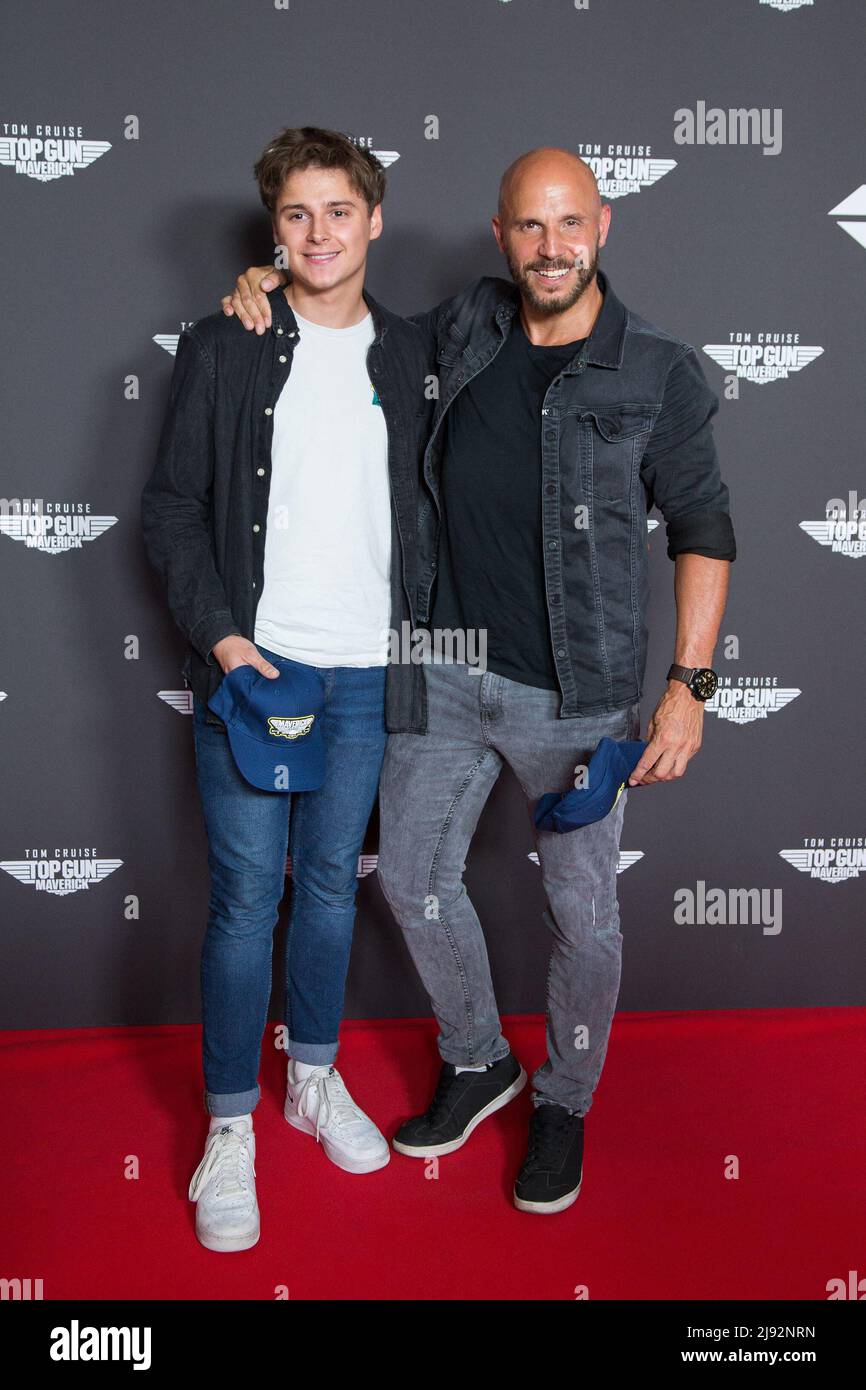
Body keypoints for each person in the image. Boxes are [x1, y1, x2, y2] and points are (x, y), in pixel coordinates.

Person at [219, 146, 737, 1215]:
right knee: (408, 878)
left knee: (582, 917)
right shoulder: (463, 329)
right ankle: (476, 1056)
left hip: (583, 690)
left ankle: (562, 1102)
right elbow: (352, 317)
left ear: (601, 226)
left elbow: (702, 527)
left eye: (568, 225)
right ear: (500, 237)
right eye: (527, 228)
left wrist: (689, 683)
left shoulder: (657, 370)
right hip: (443, 662)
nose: (550, 248)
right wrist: (275, 276)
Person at [140, 127, 433, 1252]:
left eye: (339, 211)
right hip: (255, 669)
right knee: (243, 900)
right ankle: (228, 1126)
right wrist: (219, 641)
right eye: (297, 216)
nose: (320, 233)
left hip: (367, 671)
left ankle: (310, 1076)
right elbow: (171, 506)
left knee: (325, 892)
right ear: (275, 230)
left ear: (373, 219)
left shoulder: (414, 351)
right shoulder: (226, 344)